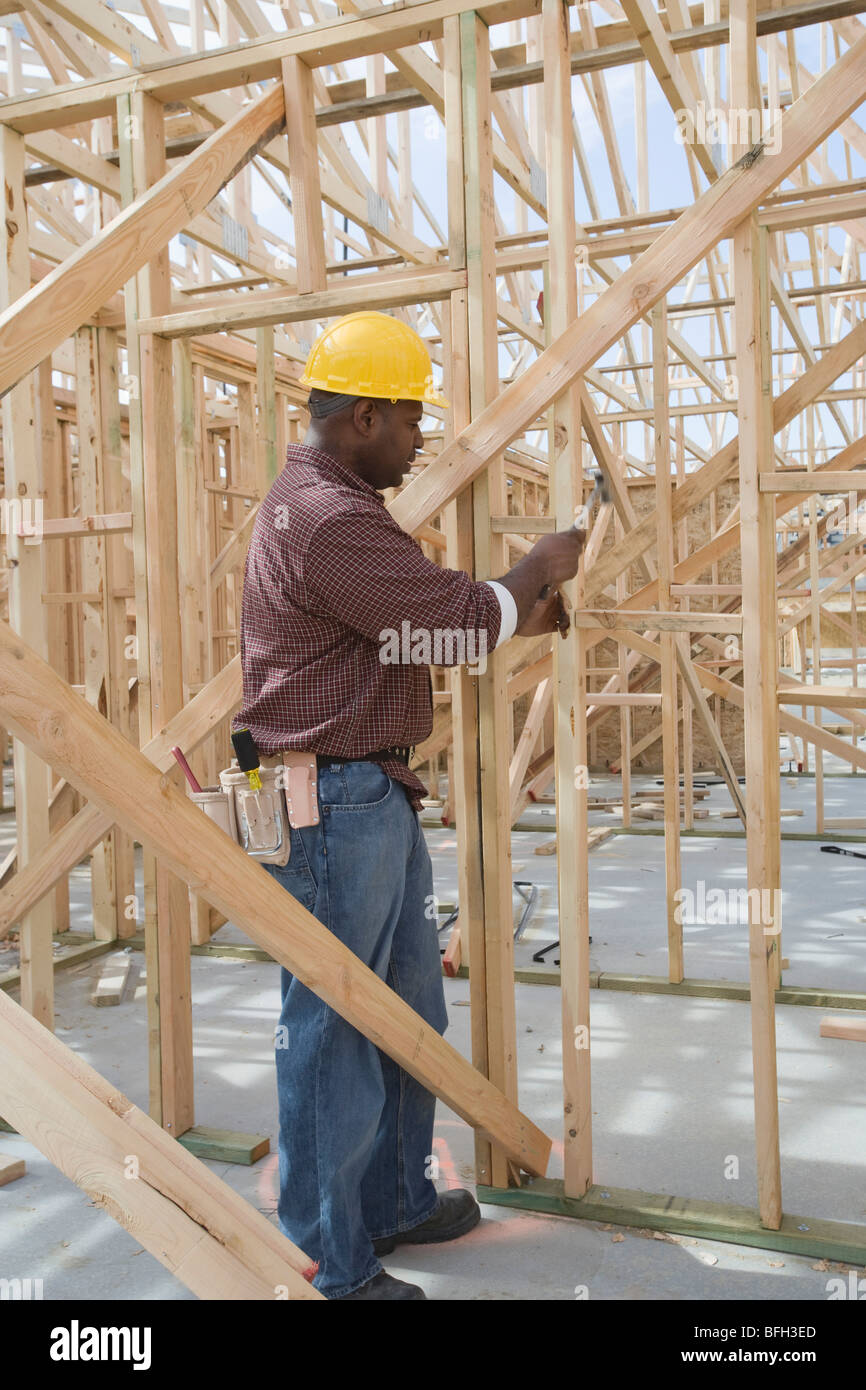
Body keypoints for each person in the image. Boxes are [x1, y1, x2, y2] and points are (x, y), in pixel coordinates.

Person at [233, 311, 584, 1300]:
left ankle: (391, 1196)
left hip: (366, 791)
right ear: (362, 419)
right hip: (329, 804)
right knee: (334, 1030)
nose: (421, 438)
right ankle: (325, 1265)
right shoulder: (330, 516)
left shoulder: (332, 503)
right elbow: (454, 622)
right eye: (410, 421)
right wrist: (534, 571)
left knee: (403, 1015)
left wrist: (515, 610)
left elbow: (407, 639)